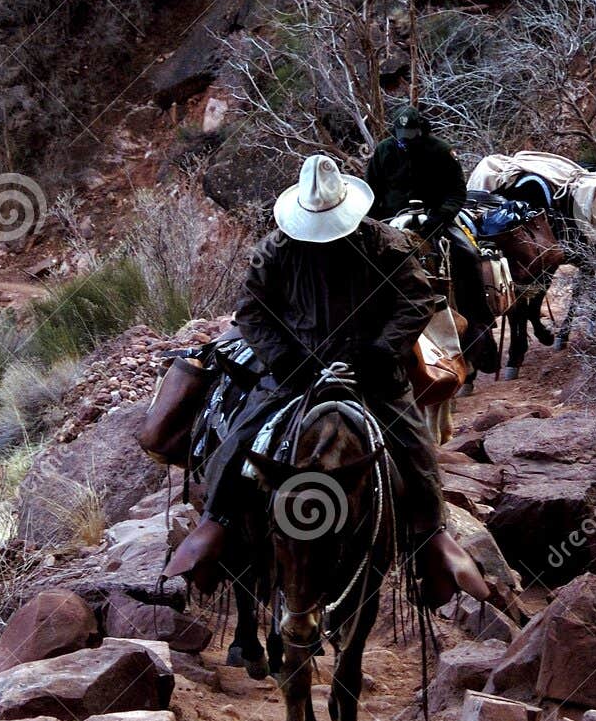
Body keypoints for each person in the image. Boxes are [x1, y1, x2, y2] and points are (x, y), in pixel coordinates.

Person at [168, 155, 485, 604]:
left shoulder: (385, 244)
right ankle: (216, 524)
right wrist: (285, 358)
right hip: (294, 371)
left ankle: (432, 537)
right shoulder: (276, 250)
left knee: (413, 443)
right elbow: (252, 311)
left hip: (373, 373)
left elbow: (415, 299)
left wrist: (380, 351)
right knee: (241, 435)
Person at [366, 107, 497, 373]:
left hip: (436, 219)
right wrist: (376, 222)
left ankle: (480, 321)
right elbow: (372, 191)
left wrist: (440, 216)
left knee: (467, 254)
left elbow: (457, 191)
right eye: (402, 135)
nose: (406, 140)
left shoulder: (441, 150)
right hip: (392, 221)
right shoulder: (383, 151)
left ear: (422, 131)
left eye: (411, 134)